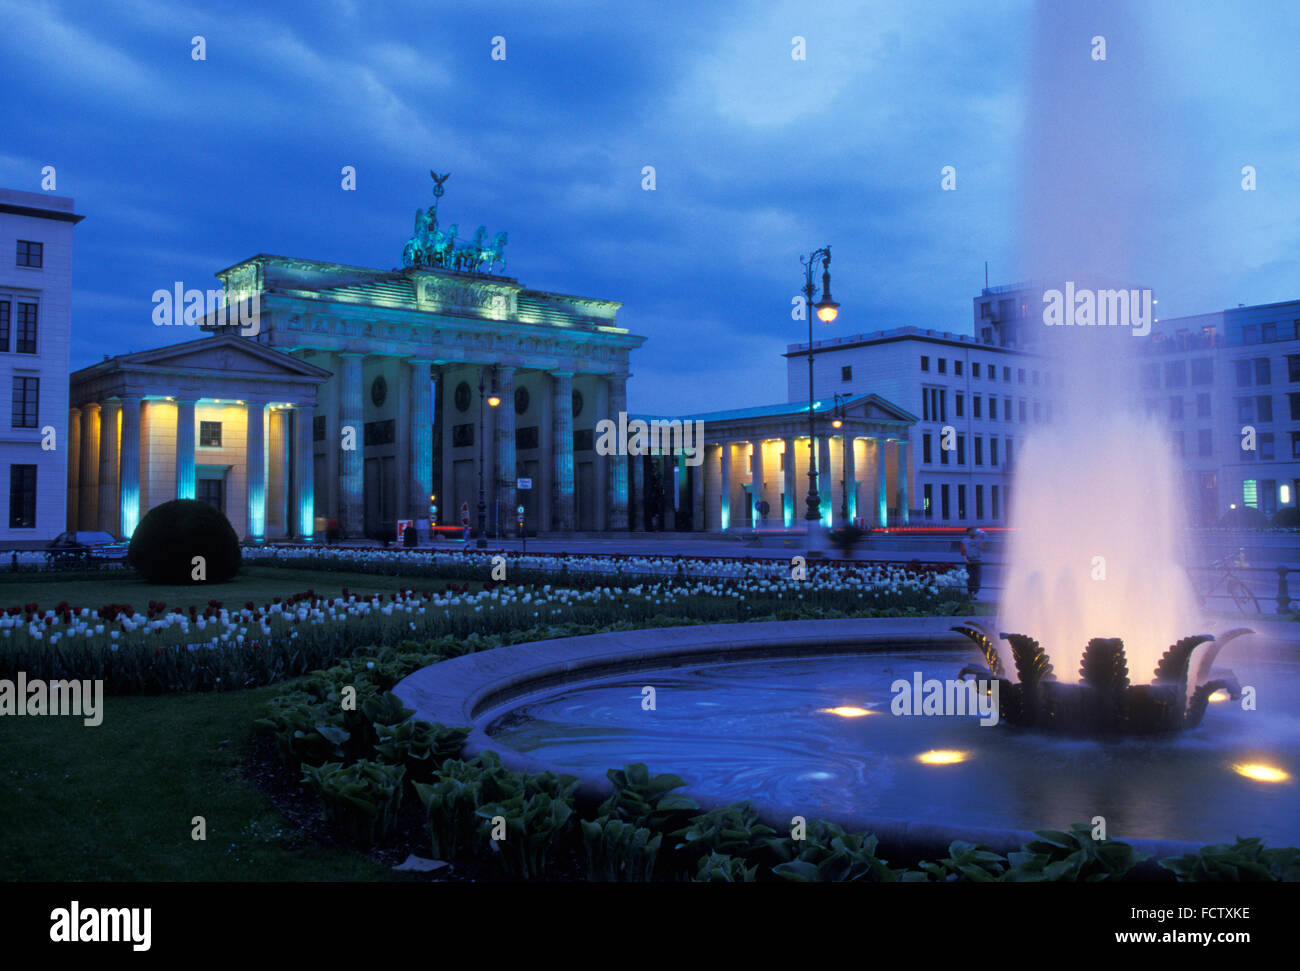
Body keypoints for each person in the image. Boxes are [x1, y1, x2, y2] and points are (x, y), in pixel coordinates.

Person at [961, 527, 987, 601]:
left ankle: (975, 593)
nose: (972, 532)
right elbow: (963, 551)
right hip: (969, 561)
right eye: (971, 531)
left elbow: (984, 548)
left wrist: (982, 539)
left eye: (973, 531)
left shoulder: (979, 540)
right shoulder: (964, 541)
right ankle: (970, 593)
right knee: (969, 578)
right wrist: (965, 559)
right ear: (968, 533)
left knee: (977, 578)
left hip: (978, 560)